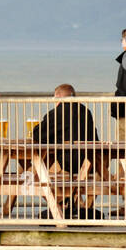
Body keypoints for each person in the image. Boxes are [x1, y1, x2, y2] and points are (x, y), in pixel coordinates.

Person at [30, 84, 100, 217]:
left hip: (67, 163)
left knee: (34, 173)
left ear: (57, 97)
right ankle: (75, 205)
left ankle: (59, 205)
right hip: (90, 163)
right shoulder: (86, 112)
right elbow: (95, 137)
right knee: (42, 169)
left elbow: (38, 135)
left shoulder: (58, 113)